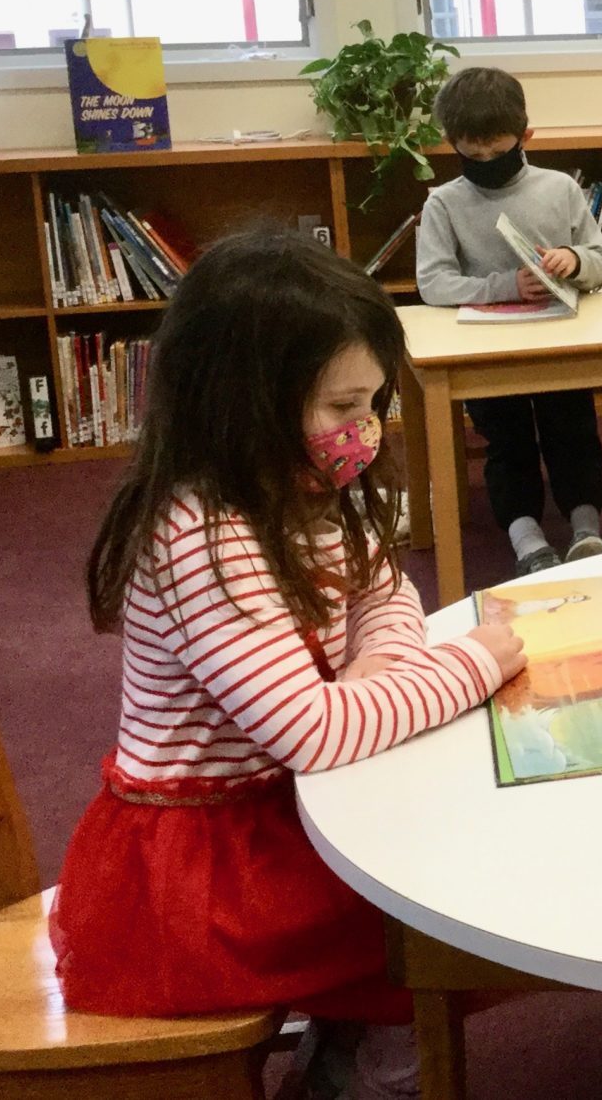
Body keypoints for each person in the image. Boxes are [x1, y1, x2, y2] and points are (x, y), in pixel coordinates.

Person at [52, 230, 528, 1100]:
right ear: (244, 405)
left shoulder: (299, 483)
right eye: (342, 406)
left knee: (435, 847)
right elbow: (311, 731)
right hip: (198, 875)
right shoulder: (204, 531)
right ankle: (364, 1073)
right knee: (452, 899)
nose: (366, 433)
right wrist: (473, 666)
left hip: (272, 816)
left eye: (374, 401)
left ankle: (346, 1056)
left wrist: (381, 669)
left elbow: (384, 590)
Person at [416, 66, 602, 576]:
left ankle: (586, 529)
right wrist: (505, 286)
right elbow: (433, 283)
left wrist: (573, 259)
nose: (484, 162)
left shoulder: (559, 188)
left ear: (526, 136)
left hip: (560, 337)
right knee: (507, 443)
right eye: (471, 154)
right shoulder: (444, 203)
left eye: (497, 151)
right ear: (451, 143)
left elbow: (600, 258)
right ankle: (527, 539)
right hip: (487, 348)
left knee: (572, 431)